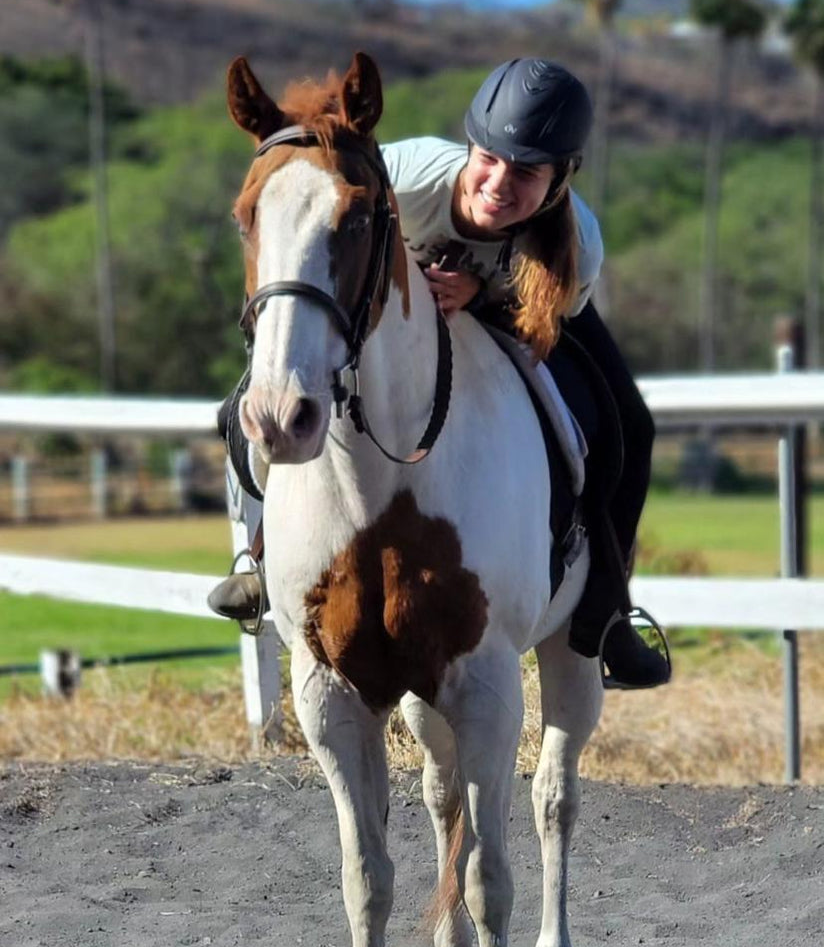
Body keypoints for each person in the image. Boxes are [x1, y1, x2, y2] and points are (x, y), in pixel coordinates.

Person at [209, 57, 670, 690]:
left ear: (561, 179)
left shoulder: (578, 245)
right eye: (489, 160)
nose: (499, 185)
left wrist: (479, 294)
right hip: (387, 302)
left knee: (628, 427)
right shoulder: (404, 172)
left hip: (523, 311)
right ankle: (261, 560)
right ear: (469, 148)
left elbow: (544, 327)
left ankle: (609, 610)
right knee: (243, 408)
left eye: (528, 172)